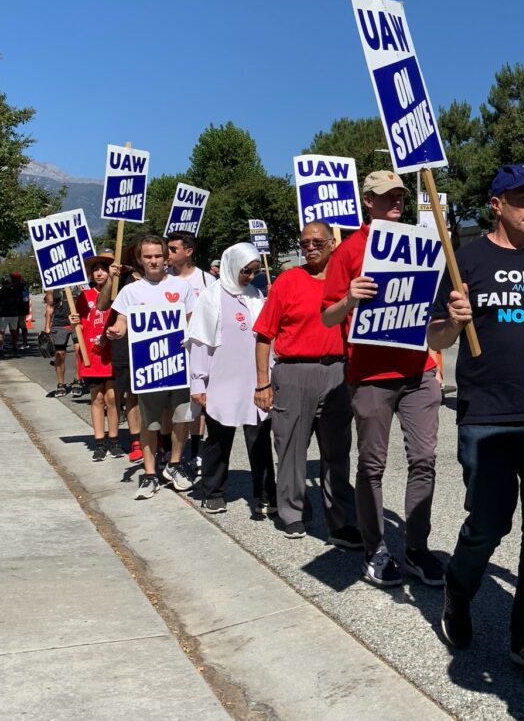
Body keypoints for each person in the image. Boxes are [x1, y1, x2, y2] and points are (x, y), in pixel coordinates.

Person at [427, 163, 524, 685]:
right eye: (522, 199)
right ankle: (459, 585)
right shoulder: (464, 259)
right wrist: (454, 320)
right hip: (488, 418)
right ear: (497, 204)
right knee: (489, 524)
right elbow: (436, 341)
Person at [321, 170, 444, 588]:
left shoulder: (420, 243)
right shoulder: (348, 252)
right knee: (372, 466)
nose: (395, 201)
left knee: (424, 459)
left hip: (418, 371)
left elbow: (434, 309)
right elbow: (327, 315)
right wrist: (350, 298)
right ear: (367, 201)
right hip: (371, 375)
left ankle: (416, 548)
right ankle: (374, 550)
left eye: (399, 195)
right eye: (385, 195)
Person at [253, 221, 361, 544]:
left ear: (332, 243)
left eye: (317, 241)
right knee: (290, 448)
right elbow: (264, 335)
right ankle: (292, 512)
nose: (310, 247)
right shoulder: (288, 281)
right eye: (305, 243)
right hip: (293, 372)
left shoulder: (350, 284)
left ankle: (341, 521)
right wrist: (262, 383)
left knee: (338, 451)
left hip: (338, 373)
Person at [106, 234, 198, 499]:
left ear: (165, 257)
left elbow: (192, 320)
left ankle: (175, 464)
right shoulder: (130, 291)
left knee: (182, 419)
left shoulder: (182, 288)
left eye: (158, 255)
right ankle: (149, 474)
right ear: (140, 259)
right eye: (148, 257)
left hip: (178, 366)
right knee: (150, 424)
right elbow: (121, 321)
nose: (154, 261)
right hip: (148, 369)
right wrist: (116, 331)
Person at [188, 243, 276, 515]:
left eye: (254, 272)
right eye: (245, 271)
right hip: (221, 381)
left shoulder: (256, 295)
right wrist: (198, 382)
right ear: (232, 266)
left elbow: (266, 338)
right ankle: (213, 492)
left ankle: (265, 494)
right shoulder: (211, 297)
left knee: (259, 437)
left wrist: (270, 375)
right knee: (218, 438)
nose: (250, 277)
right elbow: (200, 341)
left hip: (255, 379)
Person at [167, 231, 215, 467]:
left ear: (188, 251)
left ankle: (196, 452)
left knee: (198, 404)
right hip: (169, 355)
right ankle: (170, 451)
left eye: (173, 249)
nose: (168, 253)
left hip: (198, 354)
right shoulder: (163, 279)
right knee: (172, 406)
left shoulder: (207, 281)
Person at [71, 252, 122, 461]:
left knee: (112, 398)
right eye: (96, 270)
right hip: (92, 355)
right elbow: (80, 323)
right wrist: (74, 321)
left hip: (112, 354)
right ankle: (99, 442)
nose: (99, 273)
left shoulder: (118, 294)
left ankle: (114, 439)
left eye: (103, 269)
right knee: (97, 398)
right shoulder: (84, 296)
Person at [98, 241, 144, 463]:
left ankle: (159, 440)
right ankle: (136, 440)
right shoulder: (120, 280)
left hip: (155, 344)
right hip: (126, 345)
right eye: (139, 254)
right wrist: (110, 279)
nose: (145, 259)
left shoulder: (163, 279)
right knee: (132, 394)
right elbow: (102, 305)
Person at [43, 288, 78, 398]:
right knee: (60, 355)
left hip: (77, 323)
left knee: (79, 351)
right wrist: (47, 327)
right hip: (59, 324)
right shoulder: (53, 288)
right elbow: (49, 306)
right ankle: (61, 384)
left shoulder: (78, 283)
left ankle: (78, 380)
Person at [0, 276, 20, 357]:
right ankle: (14, 346)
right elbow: (19, 303)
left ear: (2, 283)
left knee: (1, 332)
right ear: (10, 283)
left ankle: (0, 349)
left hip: (2, 315)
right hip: (14, 314)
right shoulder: (15, 292)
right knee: (14, 331)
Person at [12, 271, 31, 351]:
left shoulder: (15, 287)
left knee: (18, 325)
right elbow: (26, 298)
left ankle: (20, 342)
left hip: (18, 309)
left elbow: (25, 298)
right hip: (22, 308)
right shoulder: (24, 286)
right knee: (20, 324)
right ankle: (22, 341)